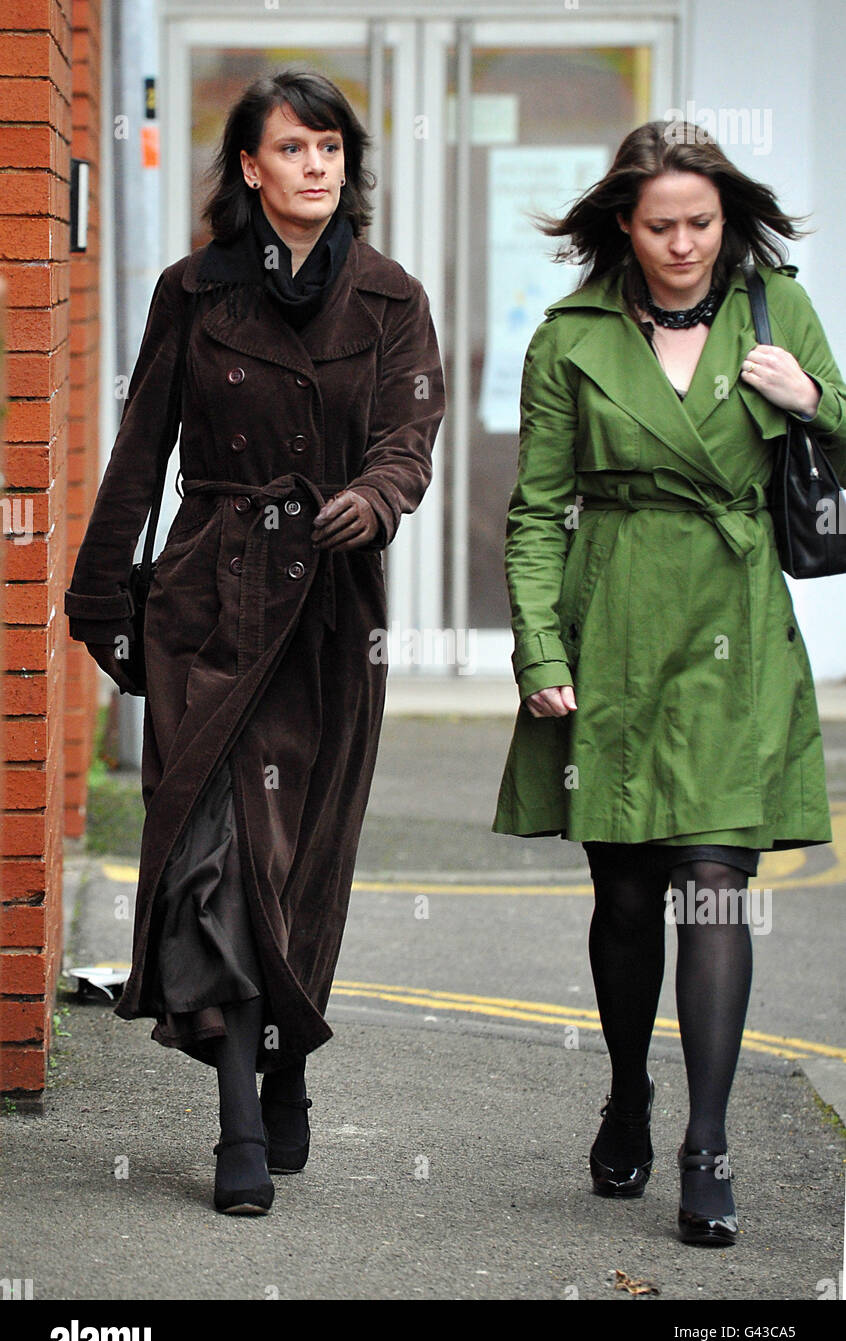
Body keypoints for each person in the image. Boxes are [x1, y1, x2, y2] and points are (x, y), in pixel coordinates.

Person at [64, 70, 445, 1215]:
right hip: (207, 604)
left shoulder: (390, 299)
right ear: (249, 167)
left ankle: (288, 1067)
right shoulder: (193, 292)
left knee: (299, 860)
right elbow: (141, 446)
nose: (315, 165)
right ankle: (238, 1121)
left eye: (330, 147)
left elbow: (411, 435)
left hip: (330, 617)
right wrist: (100, 597)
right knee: (213, 854)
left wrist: (373, 498)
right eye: (292, 148)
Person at [492, 120, 846, 1246]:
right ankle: (630, 1087)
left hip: (735, 615)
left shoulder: (776, 310)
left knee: (714, 881)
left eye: (702, 222)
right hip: (618, 620)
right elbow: (537, 508)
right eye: (662, 226)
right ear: (622, 228)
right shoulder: (572, 336)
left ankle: (708, 1138)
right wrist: (540, 649)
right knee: (629, 891)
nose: (686, 243)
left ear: (726, 219)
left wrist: (815, 399)